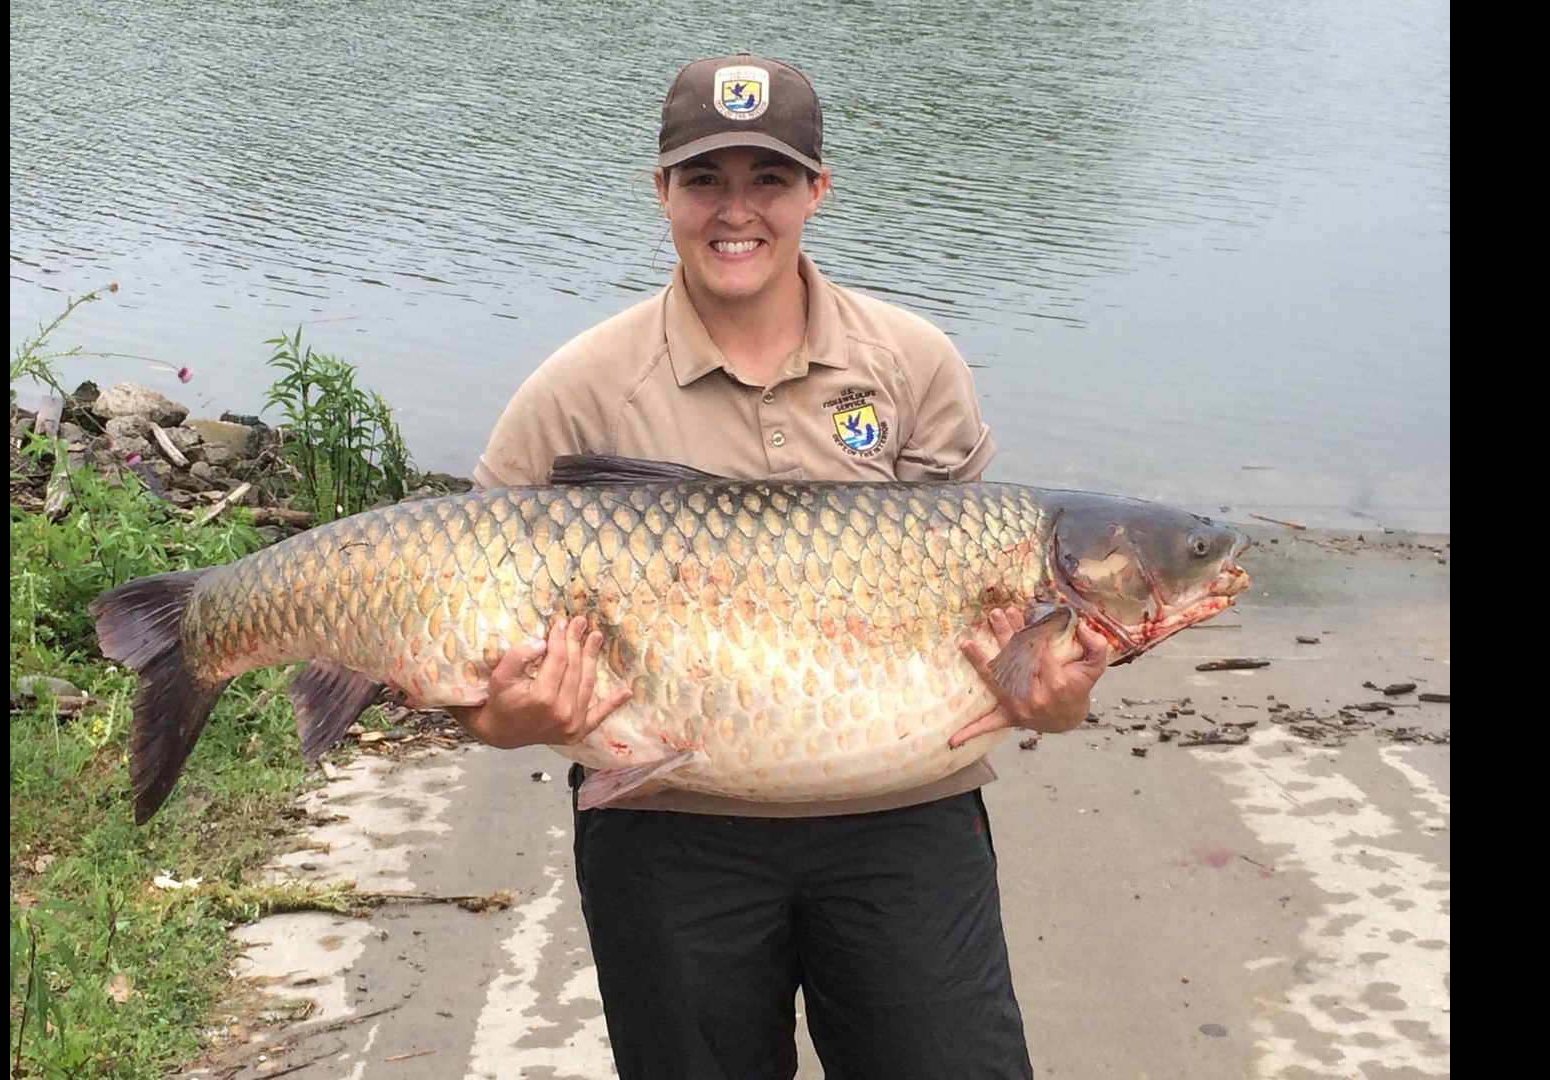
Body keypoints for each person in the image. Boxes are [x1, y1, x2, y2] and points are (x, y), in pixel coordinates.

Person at [446, 53, 1110, 1080]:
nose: (735, 211)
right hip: (668, 837)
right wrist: (514, 717)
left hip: (905, 824)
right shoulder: (576, 391)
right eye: (705, 179)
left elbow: (1001, 646)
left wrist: (1052, 701)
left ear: (818, 190)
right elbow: (483, 686)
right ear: (660, 190)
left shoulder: (913, 362)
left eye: (769, 178)